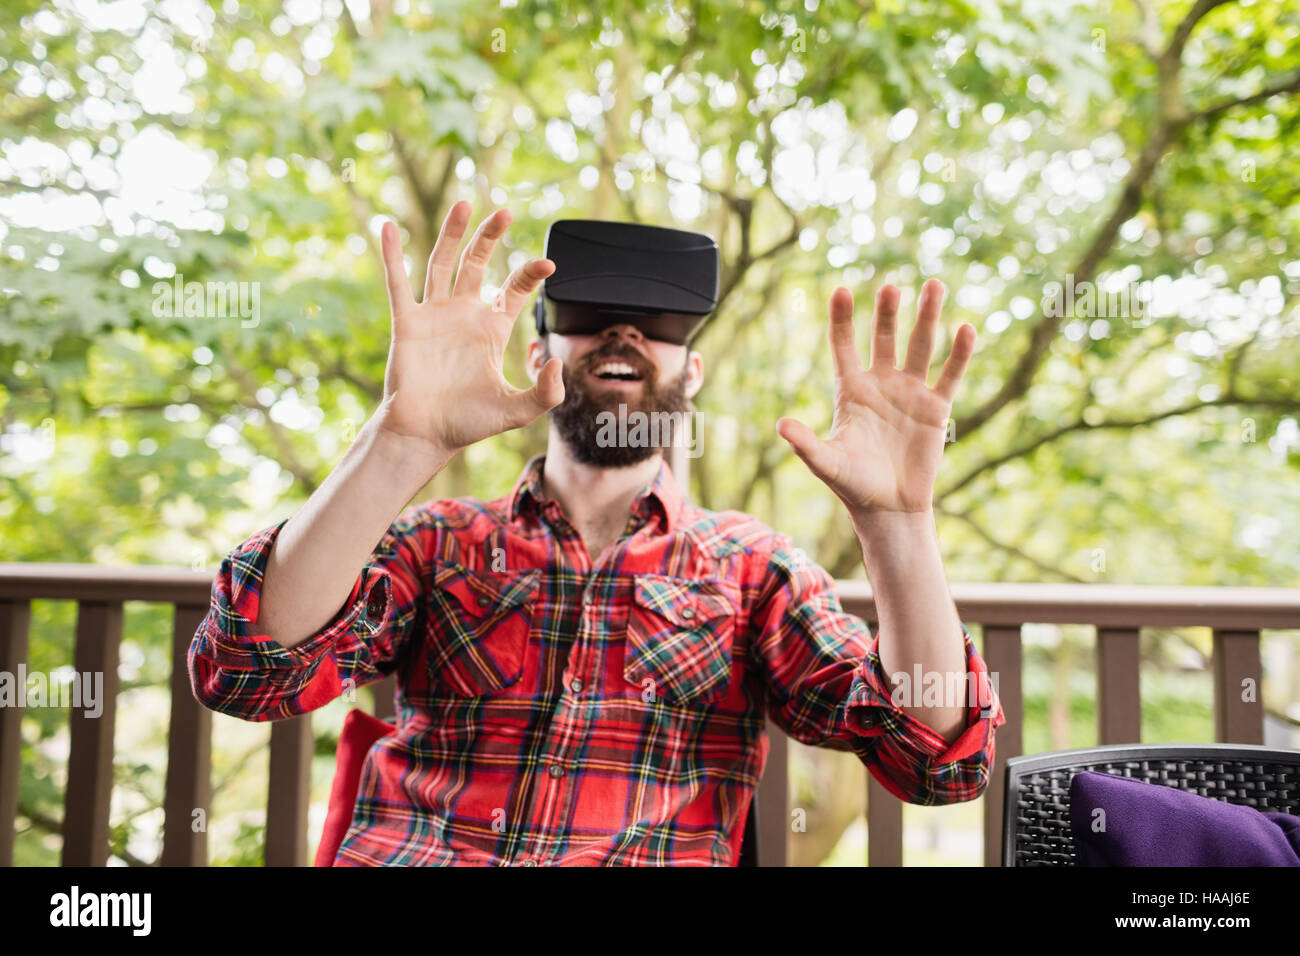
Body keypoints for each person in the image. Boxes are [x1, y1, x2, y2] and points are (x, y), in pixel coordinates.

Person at [188, 200, 1004, 866]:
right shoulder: (438, 543)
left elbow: (937, 760)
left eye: (657, 327)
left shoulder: (754, 570)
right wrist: (398, 445)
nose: (623, 337)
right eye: (591, 321)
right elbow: (243, 671)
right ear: (539, 351)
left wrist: (899, 525)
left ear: (694, 371)